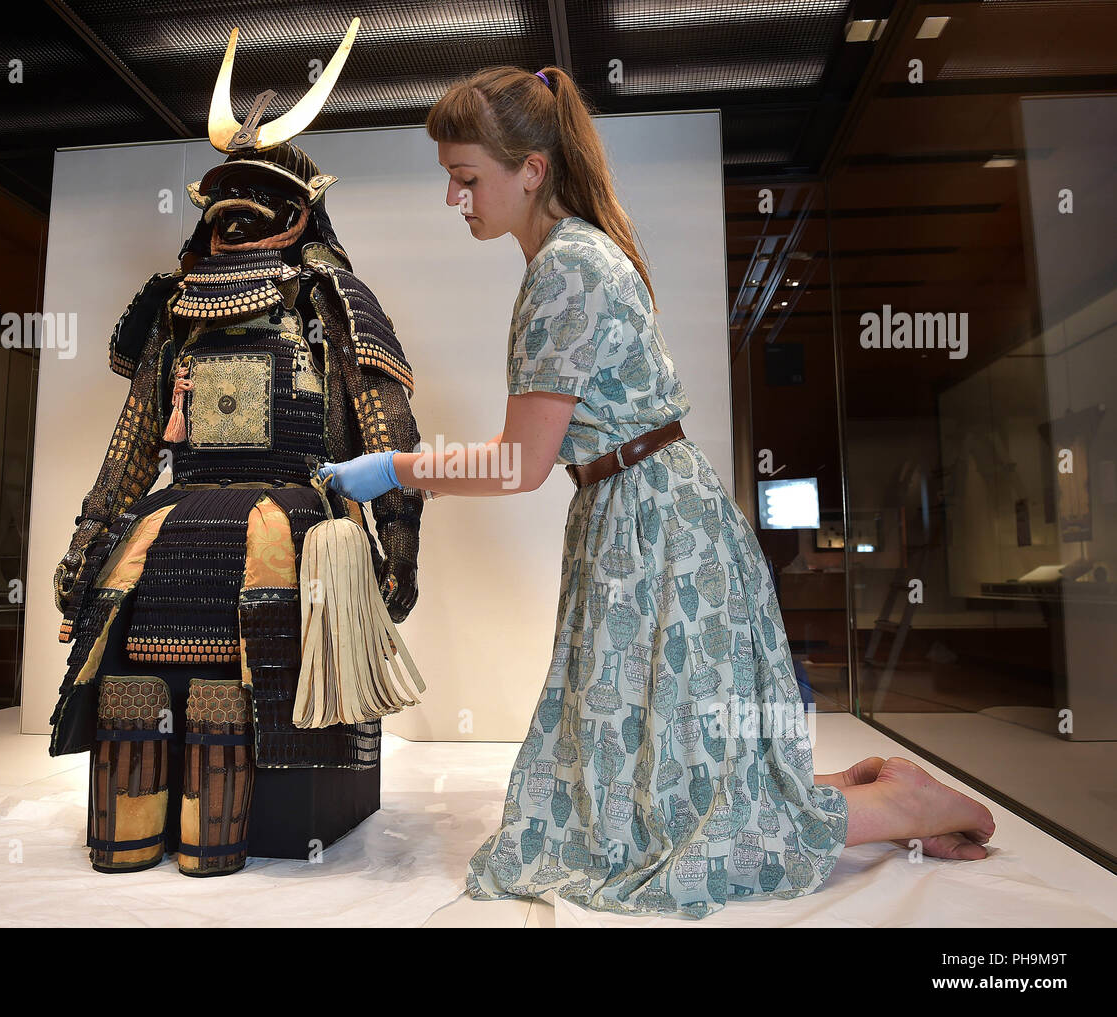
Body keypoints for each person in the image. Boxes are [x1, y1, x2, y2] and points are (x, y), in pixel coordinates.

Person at [318, 65, 995, 919]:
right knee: (660, 773)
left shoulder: (567, 267)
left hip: (651, 523)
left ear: (531, 168)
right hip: (645, 512)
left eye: (467, 179)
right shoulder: (578, 253)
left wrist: (396, 469)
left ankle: (899, 804)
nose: (456, 201)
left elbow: (519, 465)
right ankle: (869, 791)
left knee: (667, 827)